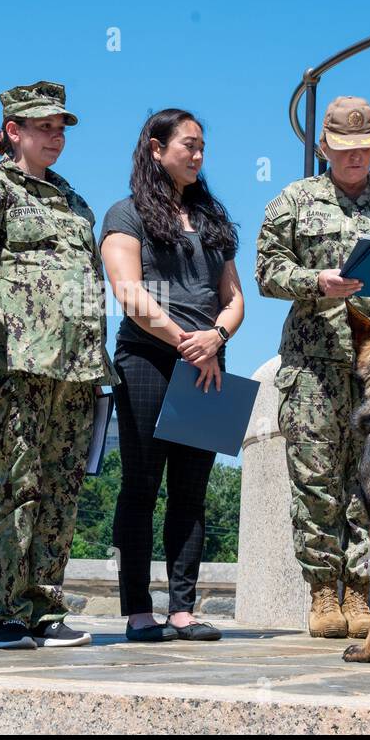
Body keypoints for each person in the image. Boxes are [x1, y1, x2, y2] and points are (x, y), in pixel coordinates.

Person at [0, 81, 116, 650]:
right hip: (14, 365)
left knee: (62, 491)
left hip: (74, 371)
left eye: (61, 128)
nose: (55, 136)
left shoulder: (76, 202)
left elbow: (88, 286)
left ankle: (46, 608)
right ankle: (6, 612)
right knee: (15, 486)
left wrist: (95, 359)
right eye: (43, 126)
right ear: (12, 131)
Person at [255, 97, 370, 640]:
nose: (356, 158)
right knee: (317, 478)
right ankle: (324, 589)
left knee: (369, 481)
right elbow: (266, 271)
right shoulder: (294, 201)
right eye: (345, 150)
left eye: (365, 148)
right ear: (324, 147)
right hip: (314, 362)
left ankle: (359, 587)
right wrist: (314, 282)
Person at [100, 109, 242, 643]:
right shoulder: (125, 213)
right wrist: (187, 342)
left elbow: (234, 299)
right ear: (156, 149)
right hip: (147, 359)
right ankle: (139, 611)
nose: (199, 154)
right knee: (140, 487)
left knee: (191, 493)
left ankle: (183, 610)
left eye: (203, 145)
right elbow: (130, 294)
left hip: (208, 361)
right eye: (189, 144)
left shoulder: (213, 221)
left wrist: (216, 340)